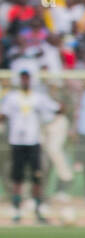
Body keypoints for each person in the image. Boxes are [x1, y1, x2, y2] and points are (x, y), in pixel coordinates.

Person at [1, 71, 61, 223]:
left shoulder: (38, 98)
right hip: (17, 142)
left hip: (34, 141)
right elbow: (3, 114)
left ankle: (38, 211)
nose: (25, 81)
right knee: (17, 178)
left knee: (37, 177)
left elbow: (56, 108)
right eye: (23, 78)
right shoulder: (12, 98)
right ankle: (16, 211)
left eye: (27, 78)